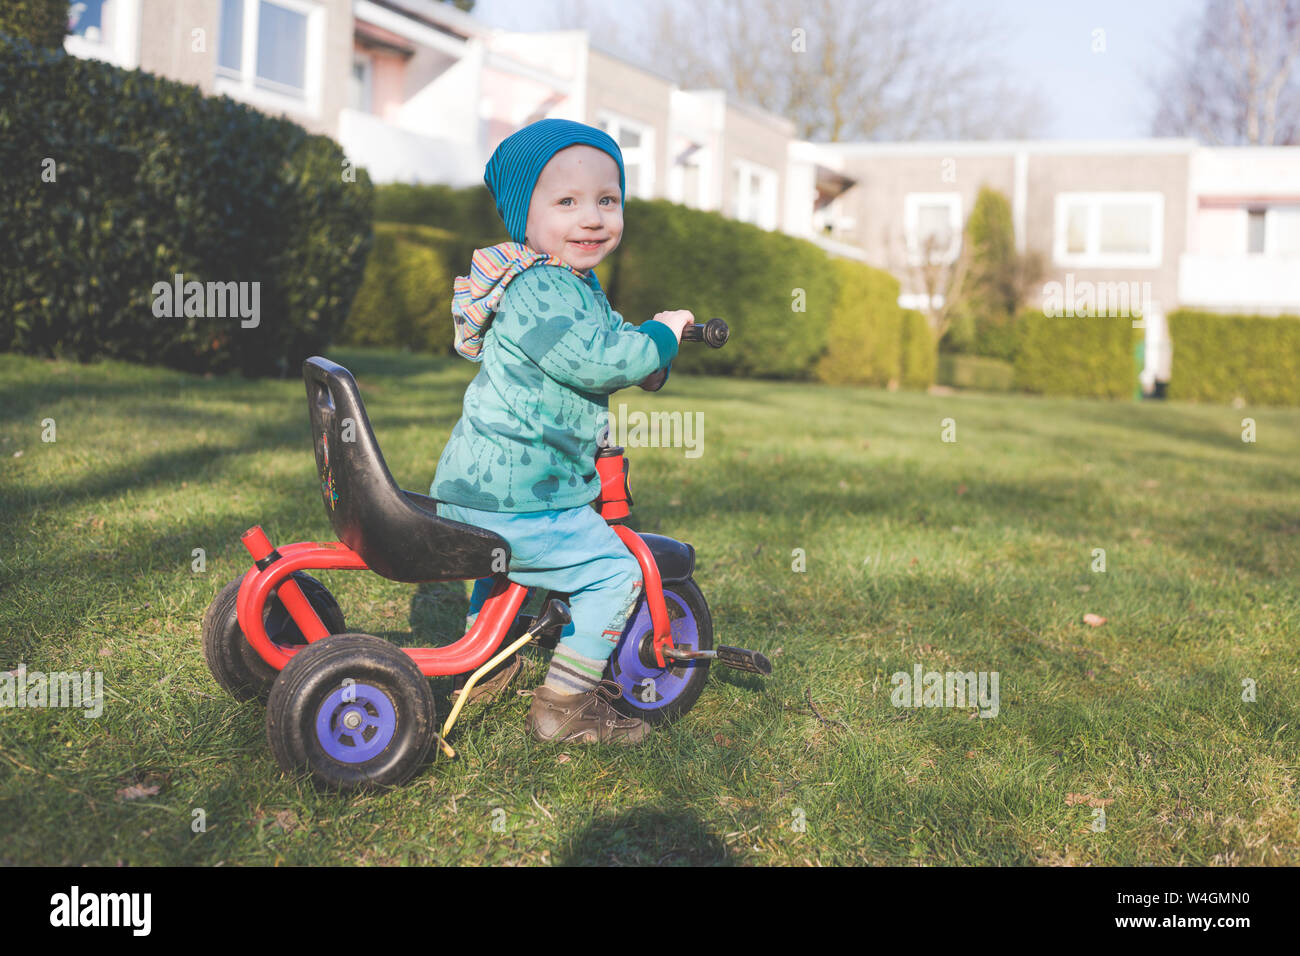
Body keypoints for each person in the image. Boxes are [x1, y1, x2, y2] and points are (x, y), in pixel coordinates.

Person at [430, 118, 694, 745]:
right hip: (523, 492)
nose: (593, 218)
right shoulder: (539, 289)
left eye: (608, 200)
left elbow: (612, 347)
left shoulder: (573, 284)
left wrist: (650, 357)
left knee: (506, 567)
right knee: (613, 573)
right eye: (567, 202)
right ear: (526, 215)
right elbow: (601, 361)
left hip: (490, 488)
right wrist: (661, 336)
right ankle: (564, 707)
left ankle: (485, 660)